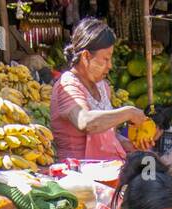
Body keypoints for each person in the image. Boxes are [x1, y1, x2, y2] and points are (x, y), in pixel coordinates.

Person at [50, 18, 147, 162]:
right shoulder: (67, 86)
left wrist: (130, 144)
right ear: (86, 57)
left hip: (106, 171)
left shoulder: (103, 87)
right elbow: (86, 122)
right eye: (106, 59)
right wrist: (129, 112)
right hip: (77, 175)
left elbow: (107, 135)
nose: (110, 66)